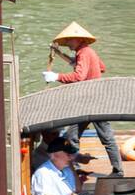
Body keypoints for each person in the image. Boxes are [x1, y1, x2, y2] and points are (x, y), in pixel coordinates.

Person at [43, 22, 124, 177]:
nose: (67, 44)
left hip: (92, 102)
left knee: (103, 137)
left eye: (69, 40)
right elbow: (101, 67)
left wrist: (56, 76)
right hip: (88, 102)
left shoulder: (84, 53)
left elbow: (79, 76)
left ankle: (117, 171)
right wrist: (60, 54)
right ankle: (75, 165)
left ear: (78, 39)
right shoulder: (88, 52)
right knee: (72, 136)